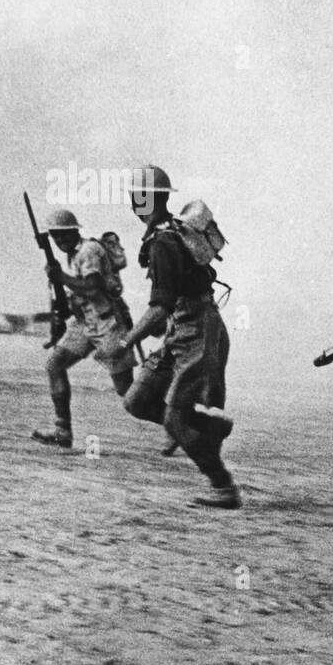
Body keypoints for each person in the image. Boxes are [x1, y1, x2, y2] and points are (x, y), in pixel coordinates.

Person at [118, 165, 240, 509]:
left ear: (148, 199)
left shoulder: (164, 242)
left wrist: (126, 341)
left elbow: (160, 307)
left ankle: (223, 486)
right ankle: (208, 427)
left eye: (137, 197)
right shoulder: (167, 234)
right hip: (184, 328)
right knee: (137, 400)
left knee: (174, 419)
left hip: (196, 332)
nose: (133, 203)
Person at [30, 209, 137, 448]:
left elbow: (92, 287)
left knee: (128, 392)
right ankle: (62, 431)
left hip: (108, 324)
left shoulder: (88, 251)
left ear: (75, 231)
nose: (60, 240)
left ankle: (180, 421)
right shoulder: (74, 254)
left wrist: (61, 277)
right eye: (55, 236)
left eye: (64, 234)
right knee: (55, 365)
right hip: (86, 323)